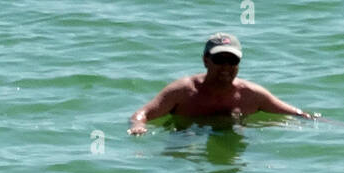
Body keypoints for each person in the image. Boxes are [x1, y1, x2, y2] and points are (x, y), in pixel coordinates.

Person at [128, 33, 309, 135]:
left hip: (232, 136)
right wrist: (138, 126)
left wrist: (329, 126)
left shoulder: (251, 94)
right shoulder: (183, 91)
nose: (226, 67)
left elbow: (296, 114)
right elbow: (141, 115)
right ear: (206, 60)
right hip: (187, 136)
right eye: (219, 59)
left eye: (232, 61)